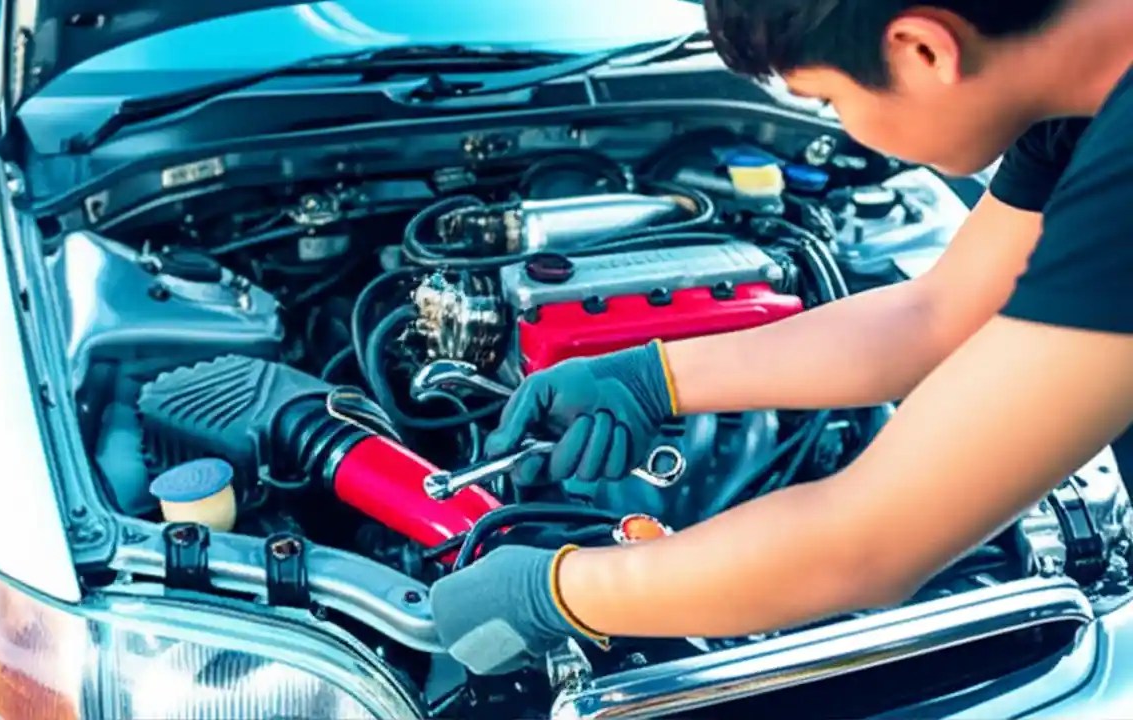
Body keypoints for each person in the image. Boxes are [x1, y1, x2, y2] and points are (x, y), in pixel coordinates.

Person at [427, 0, 1133, 677]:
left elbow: (870, 544)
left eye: (827, 101)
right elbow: (935, 313)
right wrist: (650, 377)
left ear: (921, 50)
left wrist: (556, 593)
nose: (843, 127)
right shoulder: (1077, 108)